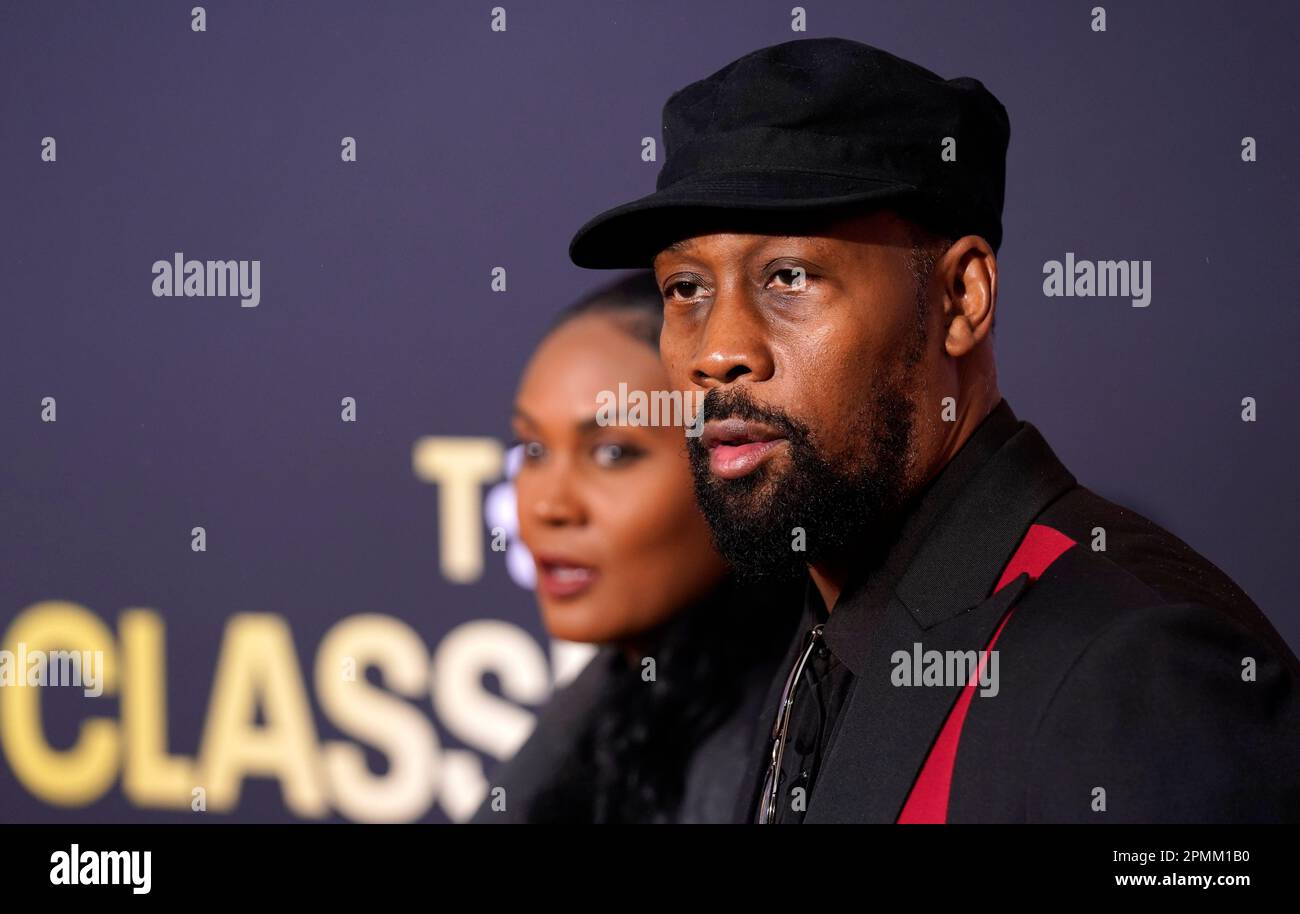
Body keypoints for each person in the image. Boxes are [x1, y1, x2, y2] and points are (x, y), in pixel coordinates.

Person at [567, 37, 1300, 823]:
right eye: (685, 287)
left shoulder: (1136, 665)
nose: (718, 351)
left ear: (960, 297)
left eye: (788, 277)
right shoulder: (821, 623)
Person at [470, 271, 799, 824]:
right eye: (532, 448)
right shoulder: (602, 704)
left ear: (735, 455)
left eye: (612, 454)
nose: (549, 506)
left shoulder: (790, 741)